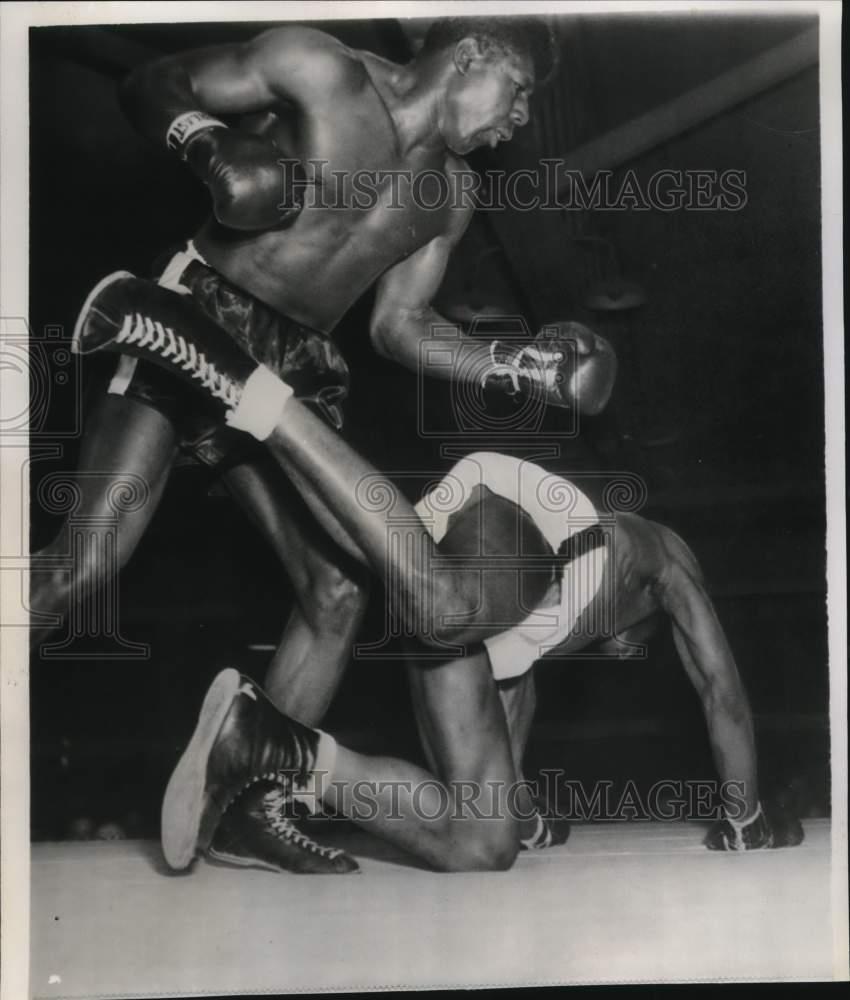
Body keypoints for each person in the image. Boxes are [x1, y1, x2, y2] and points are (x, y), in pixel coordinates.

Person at [30, 17, 616, 867]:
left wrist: (515, 365)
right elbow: (150, 83)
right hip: (199, 314)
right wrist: (209, 144)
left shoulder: (451, 196)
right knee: (82, 568)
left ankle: (248, 803)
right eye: (521, 92)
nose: (518, 121)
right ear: (474, 53)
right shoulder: (323, 71)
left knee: (339, 591)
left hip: (297, 365)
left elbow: (401, 328)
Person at [73, 281, 805, 873]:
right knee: (442, 603)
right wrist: (745, 814)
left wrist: (520, 818)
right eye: (628, 647)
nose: (618, 655)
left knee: (482, 842)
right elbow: (723, 693)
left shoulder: (531, 653)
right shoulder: (665, 559)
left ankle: (276, 751)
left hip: (478, 590)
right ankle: (243, 387)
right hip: (533, 521)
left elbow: (501, 754)